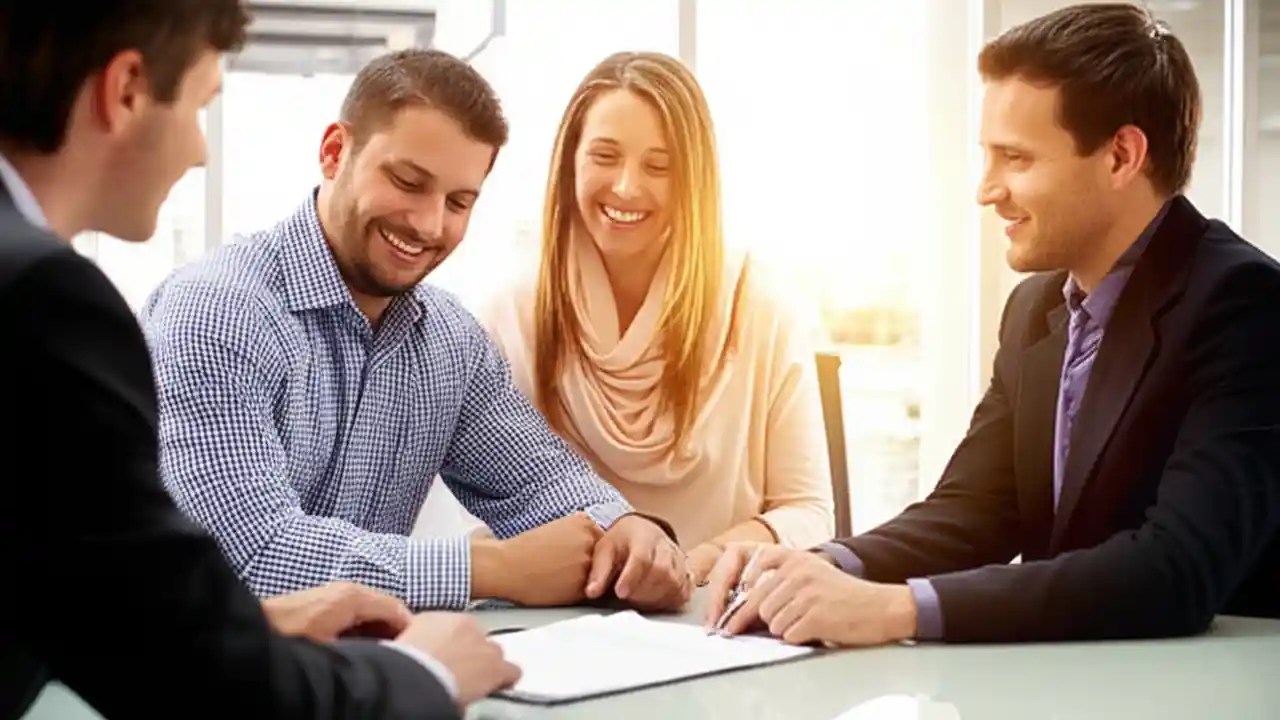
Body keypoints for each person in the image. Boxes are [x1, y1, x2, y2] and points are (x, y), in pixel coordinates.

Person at [0, 2, 520, 719]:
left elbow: (81, 599)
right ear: (124, 91)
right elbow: (211, 687)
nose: (199, 152)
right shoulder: (45, 298)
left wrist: (258, 625)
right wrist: (422, 673)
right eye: (200, 106)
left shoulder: (451, 337)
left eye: (459, 198)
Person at [705, 3, 1280, 645]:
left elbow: (1176, 570)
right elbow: (974, 509)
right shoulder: (1035, 310)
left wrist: (895, 610)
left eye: (1016, 158)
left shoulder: (1243, 304)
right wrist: (827, 565)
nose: (987, 188)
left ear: (1122, 156)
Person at [139, 47, 691, 614]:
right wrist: (492, 568)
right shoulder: (214, 314)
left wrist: (626, 530)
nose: (430, 225)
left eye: (458, 202)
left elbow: (541, 481)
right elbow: (247, 555)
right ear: (334, 152)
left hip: (349, 683)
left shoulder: (450, 342)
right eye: (408, 182)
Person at [481, 51, 835, 584]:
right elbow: (485, 515)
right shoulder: (510, 313)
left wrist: (692, 567)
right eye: (605, 156)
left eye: (659, 165)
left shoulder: (762, 308)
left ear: (693, 180)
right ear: (570, 160)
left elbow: (808, 512)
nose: (626, 187)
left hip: (715, 613)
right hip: (558, 622)